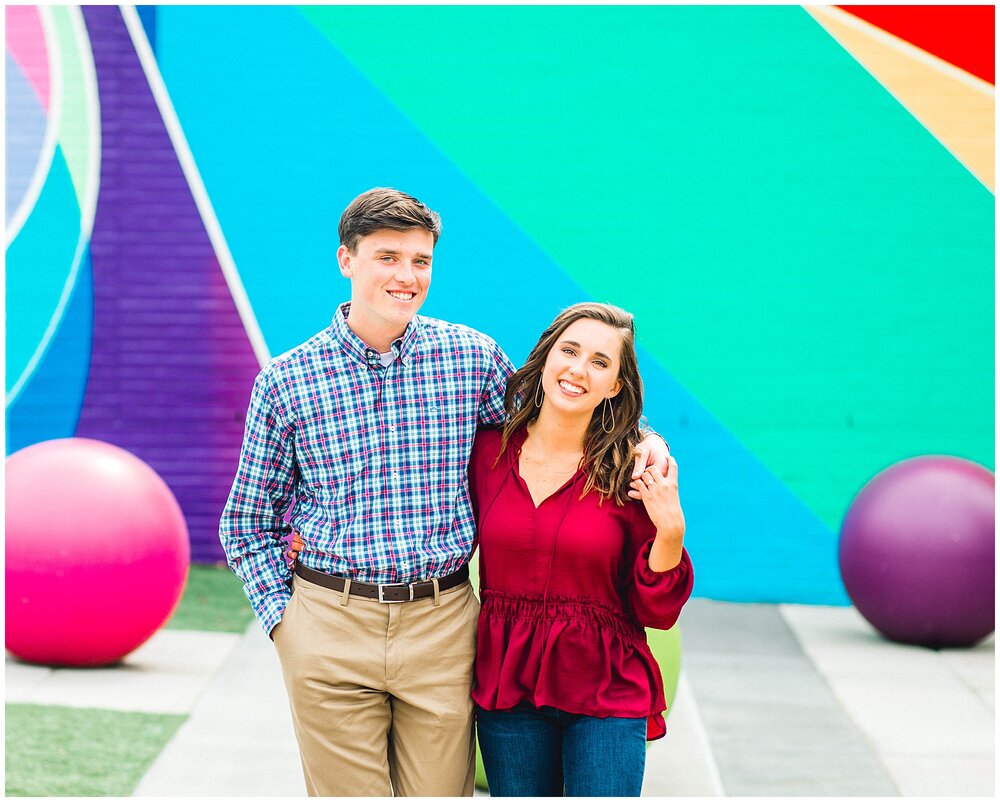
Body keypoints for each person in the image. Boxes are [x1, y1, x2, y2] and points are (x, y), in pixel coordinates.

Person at [219, 188, 671, 797]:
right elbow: (246, 523)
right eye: (387, 257)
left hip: (442, 625)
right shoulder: (285, 382)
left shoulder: (470, 356)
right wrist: (287, 624)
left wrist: (646, 439)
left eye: (421, 260)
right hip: (329, 622)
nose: (407, 276)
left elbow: (556, 416)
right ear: (346, 261)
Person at [469, 302, 693, 797]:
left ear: (615, 384)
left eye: (599, 361)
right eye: (569, 351)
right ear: (546, 357)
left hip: (606, 689)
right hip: (509, 686)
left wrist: (670, 531)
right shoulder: (486, 453)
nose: (578, 369)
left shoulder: (631, 471)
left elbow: (656, 611)